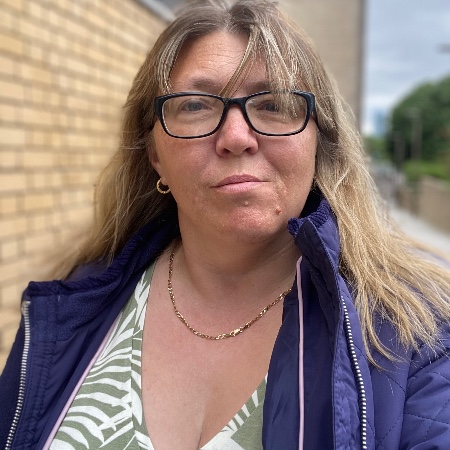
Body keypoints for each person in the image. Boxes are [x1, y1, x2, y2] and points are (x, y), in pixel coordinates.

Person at [1, 0, 450, 448]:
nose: (236, 137)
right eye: (195, 105)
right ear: (155, 153)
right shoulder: (70, 308)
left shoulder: (419, 334)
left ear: (318, 142)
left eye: (273, 103)